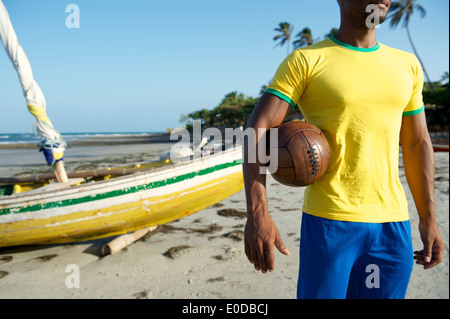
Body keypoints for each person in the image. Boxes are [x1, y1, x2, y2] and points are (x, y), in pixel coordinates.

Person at [243, 0, 444, 299]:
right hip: (330, 222)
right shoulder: (307, 59)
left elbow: (417, 144)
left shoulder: (408, 65)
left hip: (393, 226)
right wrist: (258, 214)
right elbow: (255, 130)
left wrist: (428, 219)